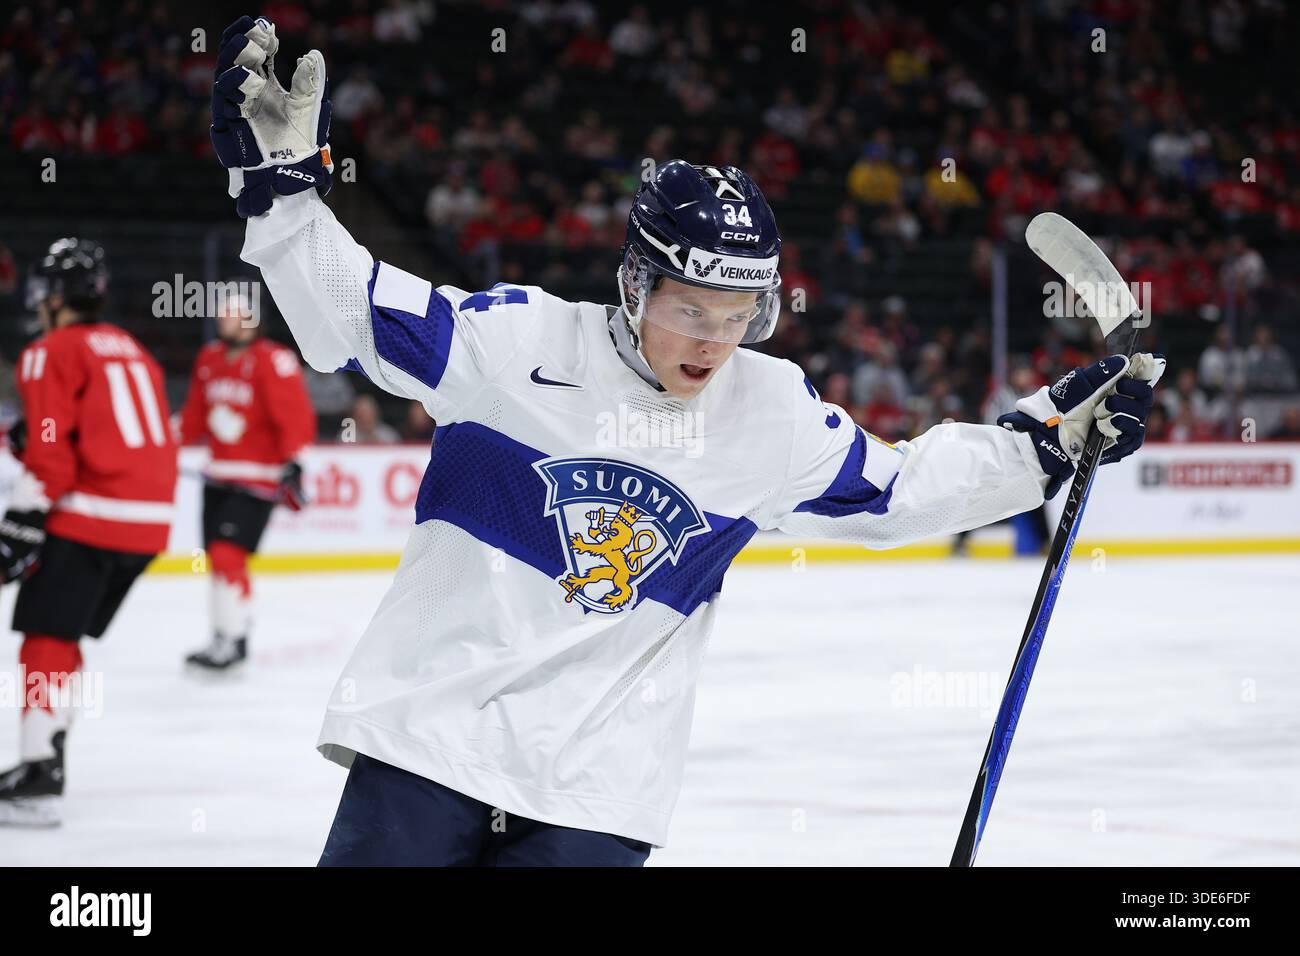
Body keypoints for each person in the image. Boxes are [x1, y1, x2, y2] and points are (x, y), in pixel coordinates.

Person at [211, 16, 1164, 866]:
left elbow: (902, 488)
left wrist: (1049, 436)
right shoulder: (513, 343)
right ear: (634, 283)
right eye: (690, 308)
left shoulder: (769, 412)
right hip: (429, 741)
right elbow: (353, 316)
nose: (715, 339)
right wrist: (285, 202)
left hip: (597, 789)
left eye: (742, 314)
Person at [0, 238, 178, 825]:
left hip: (93, 514)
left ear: (53, 296)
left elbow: (52, 453)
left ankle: (38, 777)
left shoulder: (49, 351)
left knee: (45, 635)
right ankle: (45, 751)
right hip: (148, 524)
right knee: (64, 632)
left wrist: (23, 516)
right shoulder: (132, 349)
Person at [178, 295, 316, 673]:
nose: (224, 320)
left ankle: (235, 638)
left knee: (228, 553)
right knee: (217, 559)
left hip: (257, 480)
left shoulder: (274, 360)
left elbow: (294, 417)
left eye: (232, 315)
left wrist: (295, 462)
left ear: (252, 320)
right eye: (222, 314)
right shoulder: (208, 358)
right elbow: (193, 416)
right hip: (218, 475)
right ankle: (222, 634)